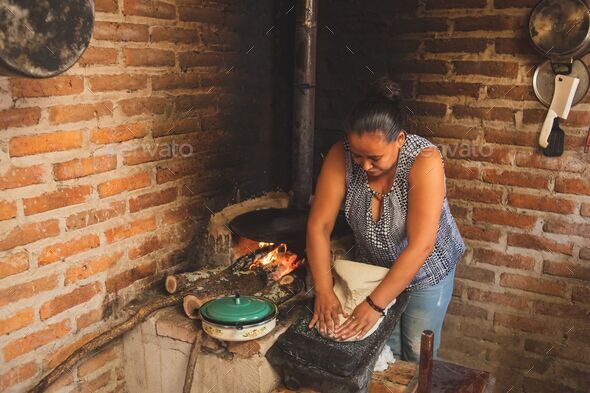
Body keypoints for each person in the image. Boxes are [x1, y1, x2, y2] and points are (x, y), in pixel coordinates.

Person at [306, 76, 466, 362]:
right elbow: (320, 225)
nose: (365, 166)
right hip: (373, 270)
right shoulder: (339, 154)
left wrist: (375, 304)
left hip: (425, 273)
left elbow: (420, 246)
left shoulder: (424, 161)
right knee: (381, 355)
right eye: (357, 156)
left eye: (375, 158)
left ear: (400, 140)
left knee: (416, 354)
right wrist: (324, 289)